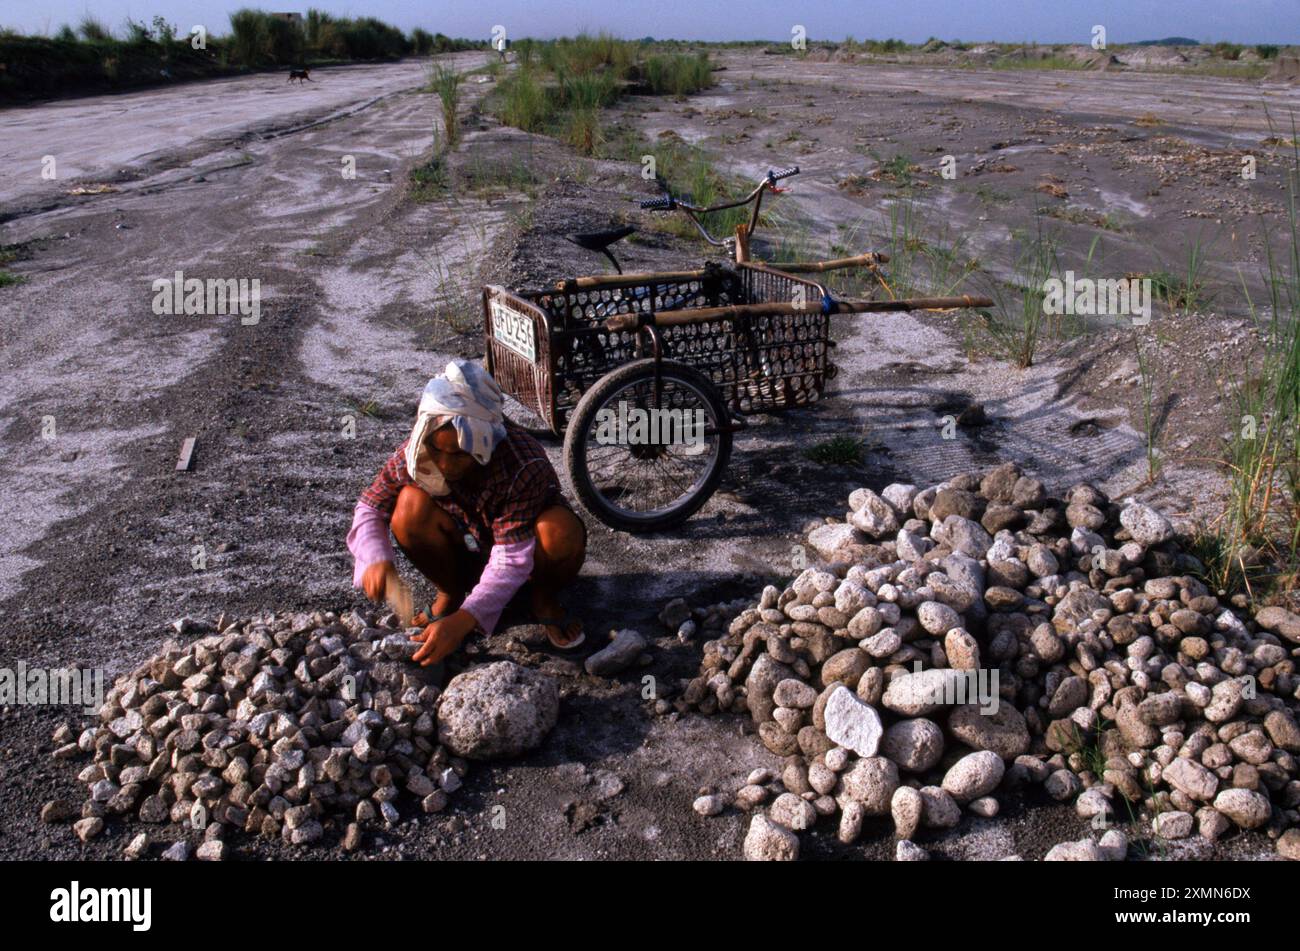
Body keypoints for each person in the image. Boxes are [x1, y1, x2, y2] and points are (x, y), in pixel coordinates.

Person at [347, 359, 586, 667]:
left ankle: (543, 600)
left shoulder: (523, 462)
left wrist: (464, 622)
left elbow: (510, 559)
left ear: (482, 442)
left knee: (558, 531)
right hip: (468, 545)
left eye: (459, 454)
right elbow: (371, 505)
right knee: (408, 505)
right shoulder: (418, 450)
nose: (446, 465)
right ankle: (450, 592)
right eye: (439, 451)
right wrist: (375, 558)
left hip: (527, 553)